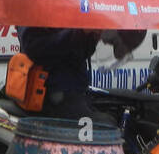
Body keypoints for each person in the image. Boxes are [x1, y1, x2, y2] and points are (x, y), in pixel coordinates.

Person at [16, 27, 146, 124]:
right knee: (105, 127)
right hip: (52, 96)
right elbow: (33, 47)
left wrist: (92, 36)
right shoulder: (36, 5)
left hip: (74, 91)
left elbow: (79, 52)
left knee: (115, 114)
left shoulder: (70, 4)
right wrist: (79, 32)